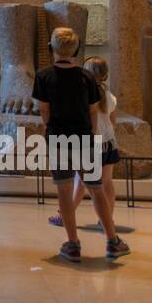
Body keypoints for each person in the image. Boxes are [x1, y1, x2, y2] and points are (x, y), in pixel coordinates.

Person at [32, 30, 130, 262]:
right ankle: (112, 240)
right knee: (96, 189)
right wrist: (92, 133)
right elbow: (92, 110)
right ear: (76, 50)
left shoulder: (43, 76)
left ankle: (73, 243)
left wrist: (48, 128)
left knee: (64, 190)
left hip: (58, 138)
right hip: (85, 138)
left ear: (52, 48)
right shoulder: (86, 77)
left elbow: (44, 109)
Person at [48, 57, 123, 235]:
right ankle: (107, 219)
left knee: (80, 183)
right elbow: (113, 123)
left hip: (91, 144)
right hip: (109, 144)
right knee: (107, 183)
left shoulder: (86, 95)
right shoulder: (109, 97)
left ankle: (65, 215)